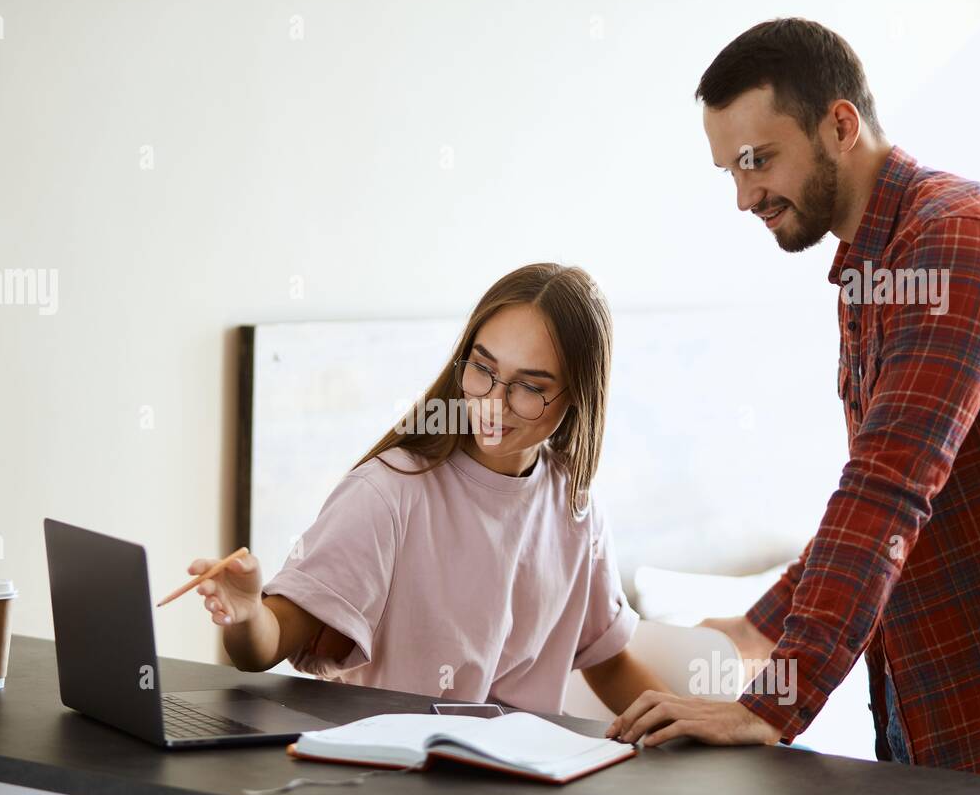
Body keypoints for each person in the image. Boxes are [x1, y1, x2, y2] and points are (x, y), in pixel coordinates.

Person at [609, 18, 980, 786]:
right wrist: (752, 629)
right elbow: (878, 499)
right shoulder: (872, 266)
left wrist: (770, 704)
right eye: (728, 172)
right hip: (921, 705)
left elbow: (887, 489)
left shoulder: (958, 241)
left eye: (757, 160)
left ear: (841, 125)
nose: (742, 197)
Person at [189, 263, 665, 716]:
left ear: (579, 397)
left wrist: (701, 727)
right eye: (482, 368)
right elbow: (267, 644)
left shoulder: (574, 507)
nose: (493, 403)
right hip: (399, 779)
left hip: (525, 785)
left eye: (530, 387)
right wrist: (248, 614)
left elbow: (606, 658)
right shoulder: (389, 492)